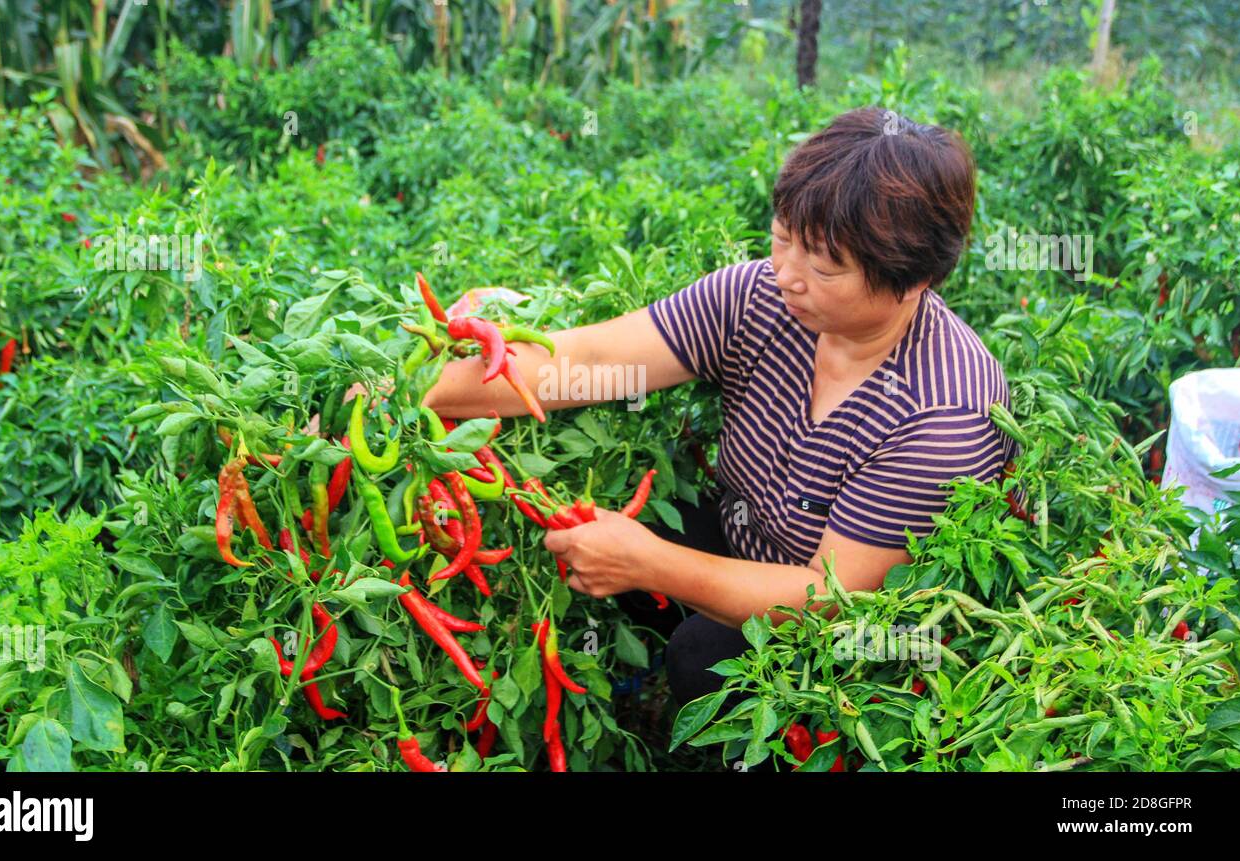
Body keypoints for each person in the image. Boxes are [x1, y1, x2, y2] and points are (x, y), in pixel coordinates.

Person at [425, 106, 1015, 710]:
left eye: (824, 265)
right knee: (633, 517)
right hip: (747, 532)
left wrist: (650, 564)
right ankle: (640, 666)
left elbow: (830, 599)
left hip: (849, 633)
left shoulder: (943, 416)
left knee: (703, 658)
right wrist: (417, 387)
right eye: (784, 237)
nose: (786, 274)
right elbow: (594, 360)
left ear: (913, 280)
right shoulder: (758, 297)